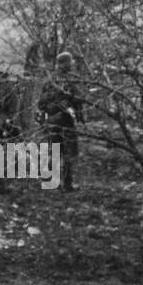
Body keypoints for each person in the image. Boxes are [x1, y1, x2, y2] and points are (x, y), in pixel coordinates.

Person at [38, 51, 84, 191]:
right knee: (68, 152)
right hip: (66, 119)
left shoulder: (49, 80)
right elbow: (79, 98)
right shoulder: (70, 79)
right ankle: (67, 184)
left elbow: (41, 103)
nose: (72, 64)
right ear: (65, 63)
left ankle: (53, 182)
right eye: (70, 61)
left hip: (52, 120)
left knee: (55, 150)